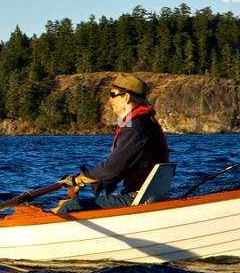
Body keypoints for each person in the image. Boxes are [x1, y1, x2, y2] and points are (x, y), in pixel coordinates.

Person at [53, 73, 169, 215]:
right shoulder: (145, 123)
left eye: (113, 94)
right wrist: (82, 179)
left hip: (134, 198)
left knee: (68, 208)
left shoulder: (134, 127)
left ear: (126, 97)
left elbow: (113, 168)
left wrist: (78, 179)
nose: (109, 99)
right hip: (144, 196)